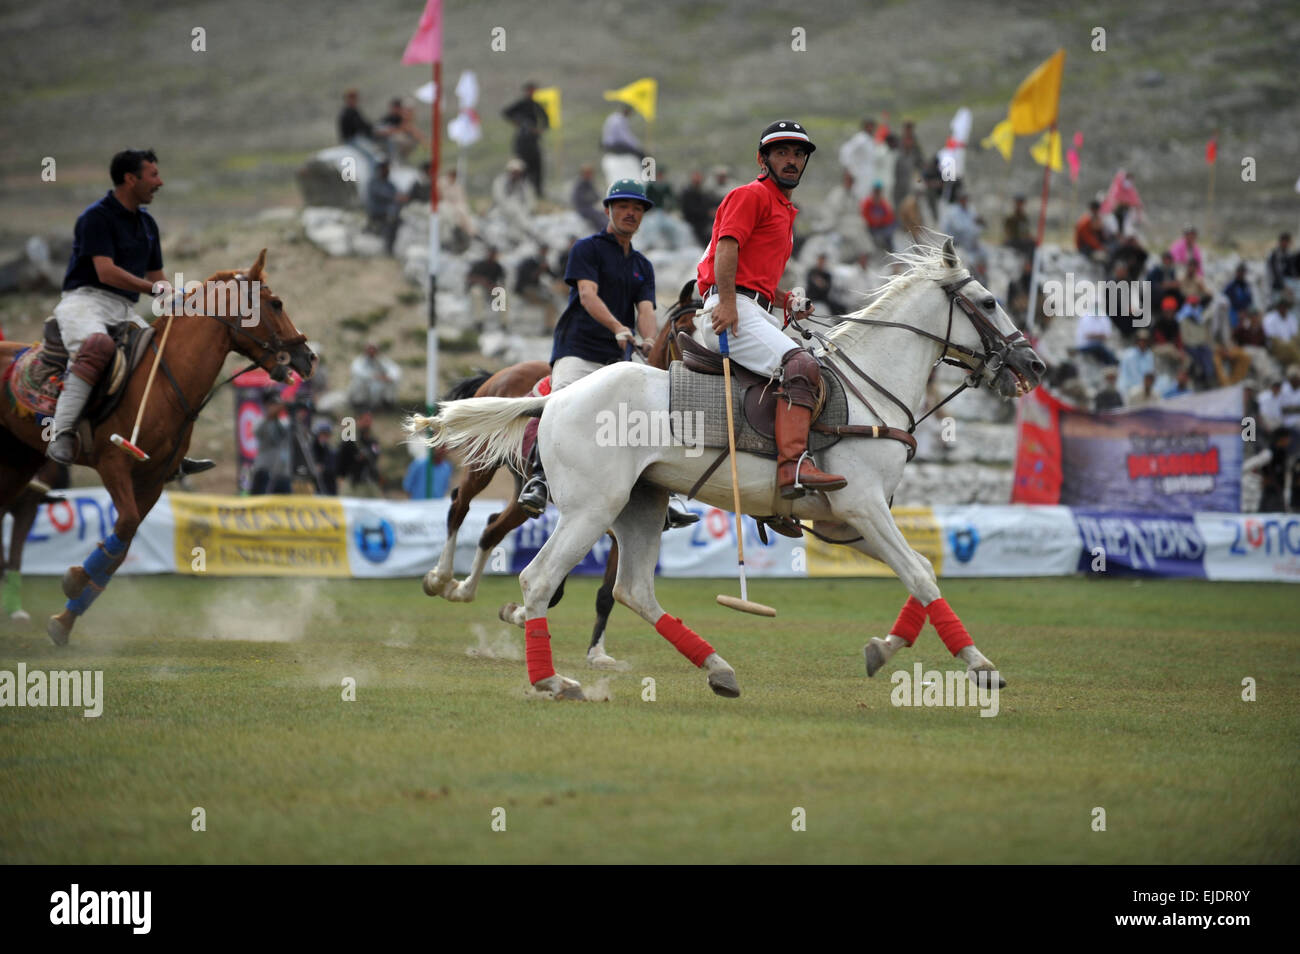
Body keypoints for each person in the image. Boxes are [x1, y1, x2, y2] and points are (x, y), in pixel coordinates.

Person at [518, 179, 698, 526]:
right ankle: (539, 480)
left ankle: (663, 495)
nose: (631, 213)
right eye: (623, 206)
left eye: (637, 208)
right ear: (608, 210)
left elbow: (645, 311)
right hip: (578, 349)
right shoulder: (586, 248)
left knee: (645, 418)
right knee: (558, 403)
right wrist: (618, 327)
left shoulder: (642, 265)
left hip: (617, 360)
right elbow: (587, 296)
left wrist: (649, 339)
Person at [696, 120, 846, 499]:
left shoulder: (783, 209)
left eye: (798, 154)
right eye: (781, 152)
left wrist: (787, 301)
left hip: (752, 307)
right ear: (762, 159)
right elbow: (727, 249)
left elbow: (754, 279)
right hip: (730, 308)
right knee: (801, 366)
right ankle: (793, 467)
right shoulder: (752, 195)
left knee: (810, 366)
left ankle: (765, 487)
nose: (791, 160)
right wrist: (728, 303)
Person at [44, 149, 211, 475]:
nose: (160, 182)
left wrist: (183, 303)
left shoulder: (148, 223)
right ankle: (61, 433)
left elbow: (158, 279)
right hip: (85, 301)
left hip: (123, 307)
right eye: (153, 175)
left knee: (163, 356)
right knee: (96, 347)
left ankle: (167, 452)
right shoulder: (96, 218)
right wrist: (157, 291)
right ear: (130, 179)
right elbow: (106, 272)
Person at [501, 82, 548, 195]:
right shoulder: (521, 104)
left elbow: (546, 119)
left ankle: (537, 192)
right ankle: (518, 190)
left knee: (536, 166)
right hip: (522, 141)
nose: (532, 92)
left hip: (533, 141)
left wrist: (539, 129)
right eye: (530, 90)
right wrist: (517, 122)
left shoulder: (537, 105)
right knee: (520, 166)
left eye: (533, 90)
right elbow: (506, 112)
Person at [251, 394, 293, 495]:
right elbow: (258, 431)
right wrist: (273, 412)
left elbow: (292, 432)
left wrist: (291, 409)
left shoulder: (284, 423)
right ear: (266, 405)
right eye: (273, 404)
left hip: (282, 473)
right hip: (264, 471)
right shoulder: (260, 422)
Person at [514, 243, 559, 332]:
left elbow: (553, 276)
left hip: (535, 289)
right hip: (525, 289)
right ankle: (548, 327)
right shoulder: (529, 262)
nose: (545, 252)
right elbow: (528, 278)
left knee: (551, 301)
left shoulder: (542, 262)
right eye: (544, 250)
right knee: (549, 303)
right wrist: (540, 269)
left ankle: (549, 327)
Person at [336, 412, 383, 496]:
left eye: (369, 421)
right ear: (358, 421)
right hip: (353, 484)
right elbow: (341, 463)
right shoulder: (350, 442)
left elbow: (376, 455)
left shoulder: (373, 442)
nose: (367, 424)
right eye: (365, 420)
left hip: (370, 483)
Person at [365, 161, 407, 255]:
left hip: (389, 213)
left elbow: (398, 194)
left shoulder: (390, 184)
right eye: (385, 169)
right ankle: (387, 248)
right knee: (390, 221)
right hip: (378, 211)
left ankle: (390, 248)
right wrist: (396, 197)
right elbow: (384, 194)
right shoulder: (374, 183)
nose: (387, 171)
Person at [347, 342, 402, 411]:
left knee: (392, 382)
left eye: (374, 349)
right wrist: (374, 377)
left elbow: (394, 370)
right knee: (358, 382)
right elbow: (357, 372)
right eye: (370, 349)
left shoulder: (382, 360)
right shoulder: (359, 361)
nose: (371, 351)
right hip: (365, 385)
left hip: (379, 384)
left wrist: (389, 377)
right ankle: (359, 405)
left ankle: (387, 404)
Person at [600, 103, 644, 187]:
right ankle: (649, 177)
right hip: (616, 146)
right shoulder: (620, 120)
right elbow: (625, 137)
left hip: (608, 146)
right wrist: (637, 146)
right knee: (644, 156)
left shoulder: (612, 117)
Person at [466, 247, 507, 332]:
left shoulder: (497, 267)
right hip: (479, 288)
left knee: (503, 294)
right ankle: (479, 321)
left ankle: (504, 323)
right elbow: (470, 278)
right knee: (477, 292)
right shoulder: (480, 265)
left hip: (491, 289)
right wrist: (483, 281)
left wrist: (495, 286)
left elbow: (502, 281)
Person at [680, 171, 718, 248]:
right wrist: (707, 212)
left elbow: (710, 202)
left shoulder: (703, 192)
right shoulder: (687, 192)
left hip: (703, 221)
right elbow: (689, 209)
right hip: (693, 222)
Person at [1262, 297, 1300, 367]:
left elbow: (1295, 335)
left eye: (1285, 306)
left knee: (1293, 347)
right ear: (1278, 307)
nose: (1284, 309)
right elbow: (1272, 338)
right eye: (1282, 306)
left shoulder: (1291, 317)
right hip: (1277, 347)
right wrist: (1288, 344)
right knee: (1291, 347)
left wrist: (1292, 343)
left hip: (1291, 345)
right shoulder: (1269, 318)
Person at [860, 181, 896, 252]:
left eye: (878, 191)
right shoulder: (867, 203)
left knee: (888, 235)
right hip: (870, 227)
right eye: (876, 190)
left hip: (882, 227)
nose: (877, 193)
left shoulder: (883, 203)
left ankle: (890, 252)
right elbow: (864, 215)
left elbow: (889, 216)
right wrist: (874, 221)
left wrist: (880, 221)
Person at [1117, 330, 1156, 396]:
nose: (1142, 343)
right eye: (1140, 340)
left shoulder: (1149, 354)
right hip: (1130, 387)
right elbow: (1131, 376)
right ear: (1137, 341)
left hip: (1145, 387)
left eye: (1145, 341)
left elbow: (1150, 372)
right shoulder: (1129, 355)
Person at [570, 164, 606, 232]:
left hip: (590, 206)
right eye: (588, 173)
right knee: (596, 216)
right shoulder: (579, 184)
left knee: (604, 214)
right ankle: (601, 233)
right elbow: (579, 199)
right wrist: (591, 199)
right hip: (582, 208)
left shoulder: (589, 183)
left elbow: (596, 196)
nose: (590, 175)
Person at [309, 419, 339, 495]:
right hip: (313, 490)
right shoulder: (309, 450)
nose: (325, 437)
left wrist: (323, 468)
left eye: (327, 435)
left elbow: (334, 469)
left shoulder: (330, 451)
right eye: (322, 434)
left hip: (328, 490)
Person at [1223, 263, 1254, 328]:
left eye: (1243, 272)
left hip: (1245, 311)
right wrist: (1239, 312)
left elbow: (1250, 299)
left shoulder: (1246, 285)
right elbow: (1229, 299)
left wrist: (1245, 311)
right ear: (1237, 272)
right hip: (1234, 311)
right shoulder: (1231, 286)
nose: (1242, 274)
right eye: (1241, 272)